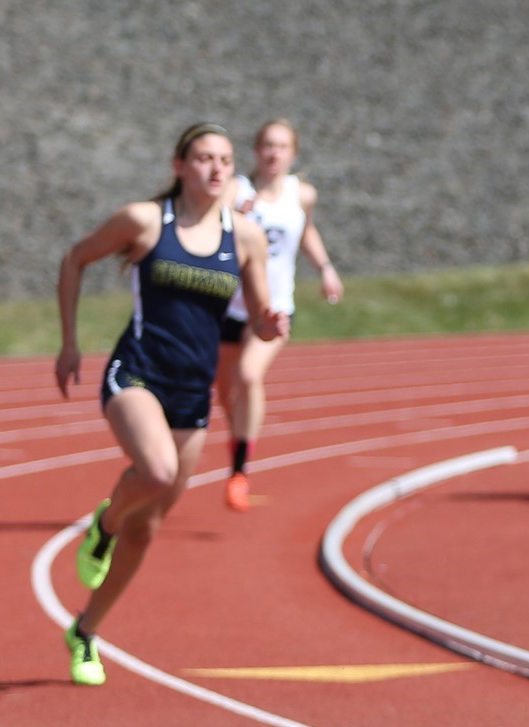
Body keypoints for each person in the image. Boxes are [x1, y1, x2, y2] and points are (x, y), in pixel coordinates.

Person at [54, 123, 287, 685]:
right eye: (204, 158)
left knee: (149, 527)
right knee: (155, 471)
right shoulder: (144, 221)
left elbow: (258, 318)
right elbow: (75, 259)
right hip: (136, 372)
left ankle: (85, 631)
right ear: (179, 166)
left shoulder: (246, 237)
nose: (216, 168)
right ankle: (104, 525)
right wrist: (69, 342)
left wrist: (269, 324)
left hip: (192, 390)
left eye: (225, 160)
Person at [217, 118, 342, 512]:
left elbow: (306, 230)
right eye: (268, 145)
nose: (274, 153)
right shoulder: (236, 189)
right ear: (256, 150)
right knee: (225, 393)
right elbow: (210, 223)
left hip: (273, 309)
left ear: (293, 153)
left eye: (282, 146)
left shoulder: (301, 195)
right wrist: (233, 215)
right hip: (228, 306)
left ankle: (239, 472)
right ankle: (240, 437)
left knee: (249, 376)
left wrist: (325, 267)